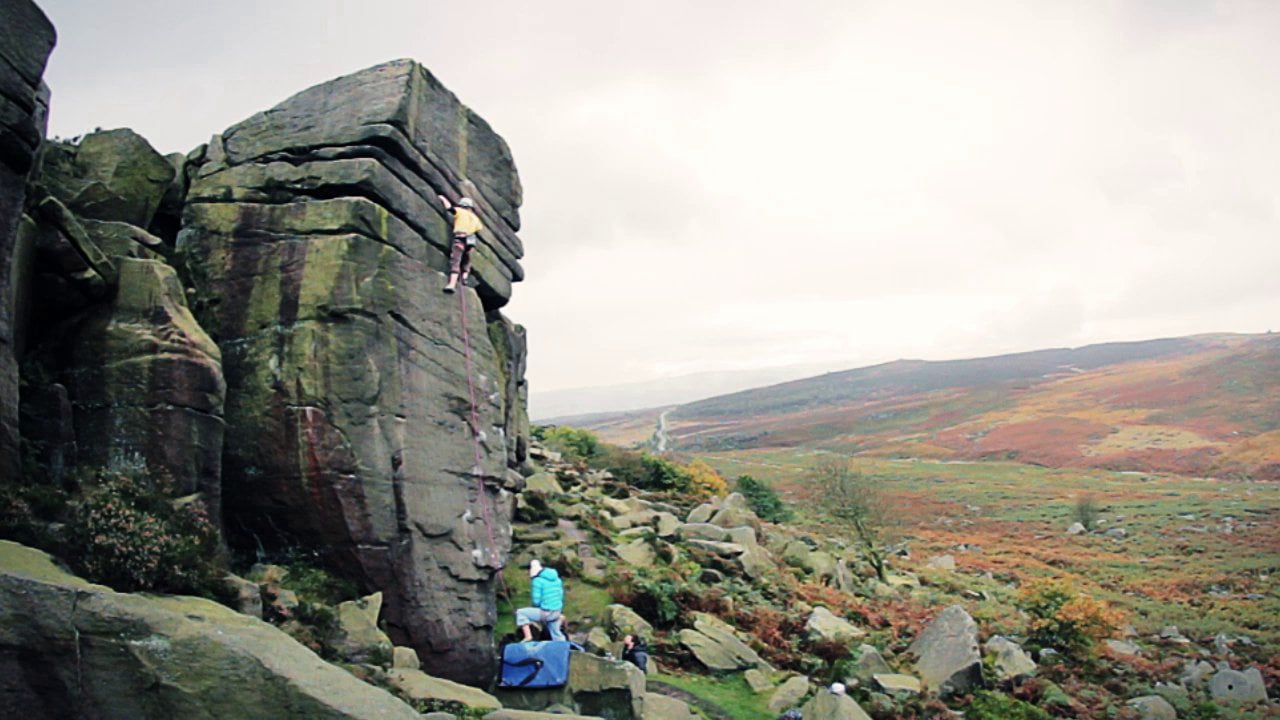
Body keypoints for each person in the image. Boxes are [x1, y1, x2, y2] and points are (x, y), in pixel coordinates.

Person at [437, 194, 484, 293]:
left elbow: (449, 208)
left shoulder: (460, 211)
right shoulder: (476, 219)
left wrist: (442, 198)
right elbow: (479, 228)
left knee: (456, 261)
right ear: (470, 208)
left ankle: (452, 284)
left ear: (462, 206)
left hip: (460, 239)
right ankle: (464, 277)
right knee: (466, 260)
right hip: (470, 242)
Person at [516, 559, 566, 642]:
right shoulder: (557, 579)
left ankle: (528, 636)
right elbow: (560, 595)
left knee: (521, 613)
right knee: (556, 633)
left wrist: (537, 607)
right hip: (557, 611)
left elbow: (536, 600)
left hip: (546, 612)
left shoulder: (537, 581)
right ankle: (564, 647)